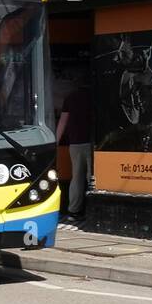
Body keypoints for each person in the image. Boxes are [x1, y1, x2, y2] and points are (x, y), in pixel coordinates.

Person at [55, 80, 93, 226]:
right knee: (92, 178)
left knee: (76, 178)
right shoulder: (93, 96)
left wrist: (55, 143)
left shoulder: (71, 97)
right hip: (91, 143)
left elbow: (63, 122)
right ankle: (91, 210)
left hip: (75, 143)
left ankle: (73, 212)